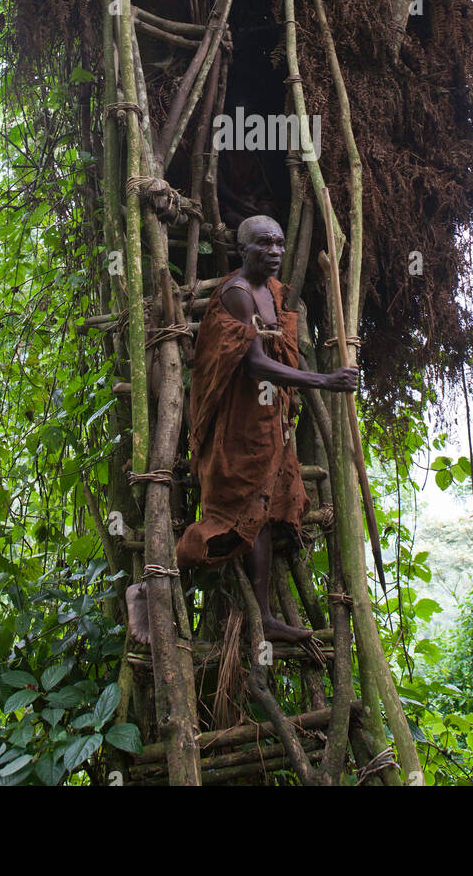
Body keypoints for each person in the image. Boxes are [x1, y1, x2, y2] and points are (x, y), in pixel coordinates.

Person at [125, 215, 358, 647]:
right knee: (229, 517)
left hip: (269, 421)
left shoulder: (272, 292)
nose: (274, 252)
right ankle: (146, 587)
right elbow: (252, 363)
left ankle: (265, 615)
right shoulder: (236, 295)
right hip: (238, 425)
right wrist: (325, 381)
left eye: (280, 244)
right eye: (264, 245)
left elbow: (276, 351)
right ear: (242, 248)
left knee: (265, 512)